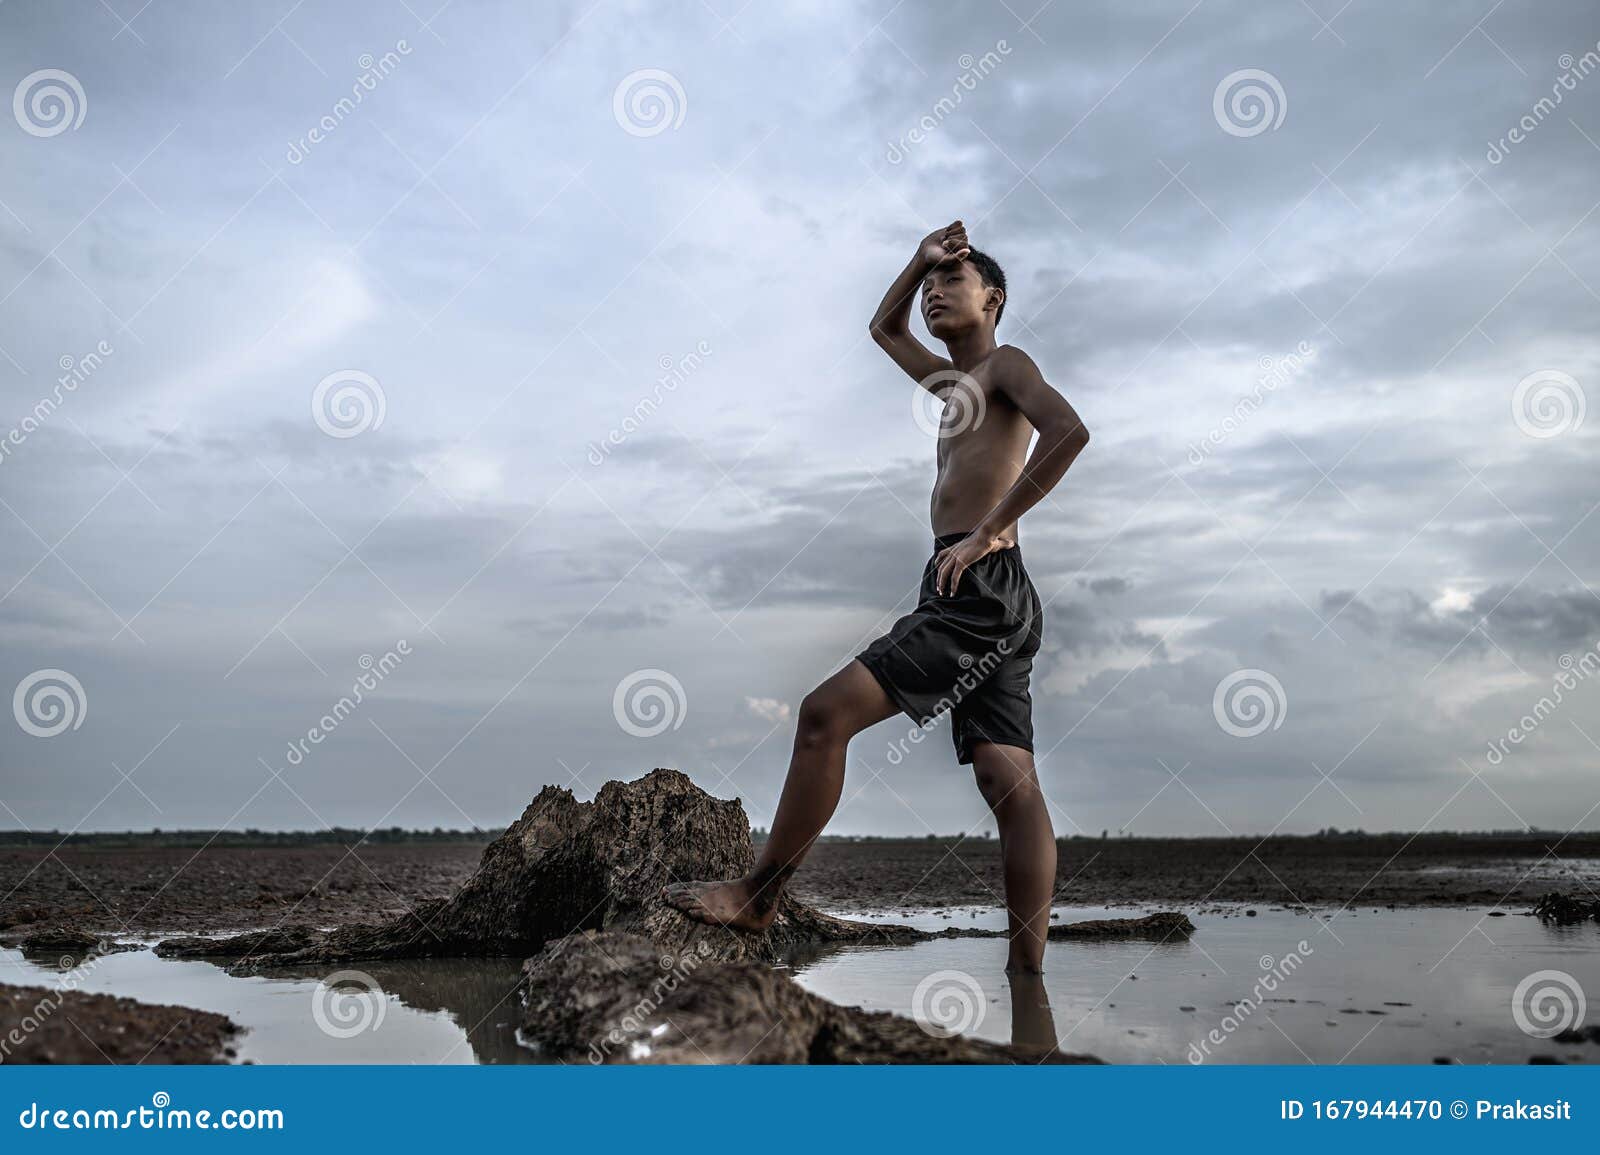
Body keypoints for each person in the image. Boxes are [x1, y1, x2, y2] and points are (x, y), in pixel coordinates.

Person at [665, 221, 1091, 973]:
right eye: (929, 286)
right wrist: (920, 258)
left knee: (823, 714)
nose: (933, 294)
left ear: (993, 299)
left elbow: (1069, 432)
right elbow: (882, 328)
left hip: (977, 586)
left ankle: (759, 896)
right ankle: (1029, 977)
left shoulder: (1007, 365)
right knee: (1007, 779)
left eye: (952, 281)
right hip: (985, 590)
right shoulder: (954, 388)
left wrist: (987, 531)